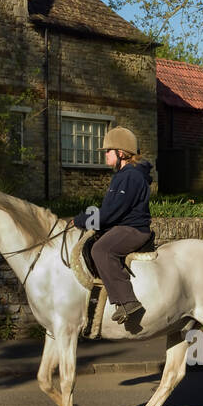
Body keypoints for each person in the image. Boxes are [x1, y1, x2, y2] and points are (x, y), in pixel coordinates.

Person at [71, 127, 154, 324]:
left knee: (101, 250)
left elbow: (110, 213)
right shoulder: (122, 176)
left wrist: (82, 220)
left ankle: (127, 301)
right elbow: (107, 210)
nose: (105, 155)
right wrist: (85, 218)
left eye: (108, 151)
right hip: (122, 227)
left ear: (121, 153)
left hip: (133, 230)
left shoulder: (131, 177)